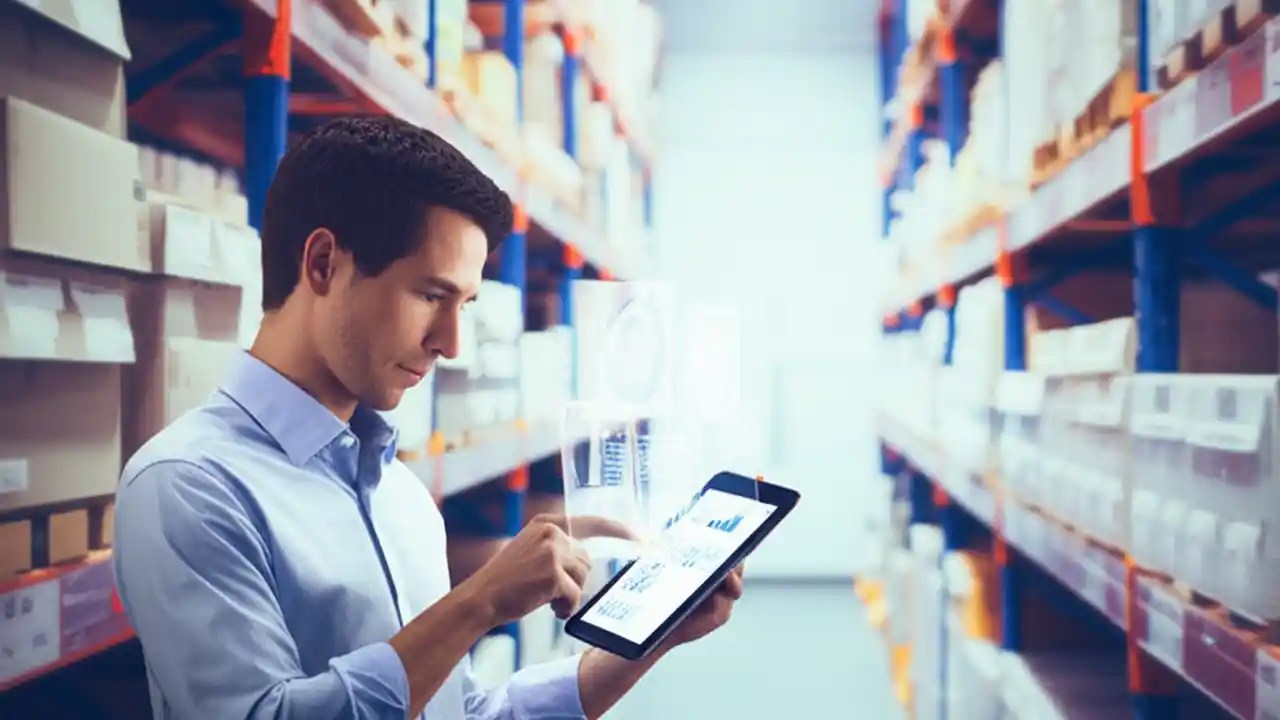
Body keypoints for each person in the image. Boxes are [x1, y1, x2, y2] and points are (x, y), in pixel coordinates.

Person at [112, 116, 743, 720]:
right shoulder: (186, 486)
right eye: (431, 295)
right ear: (324, 264)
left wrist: (646, 640)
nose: (451, 343)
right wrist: (479, 601)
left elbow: (455, 711)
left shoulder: (401, 498)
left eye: (464, 304)